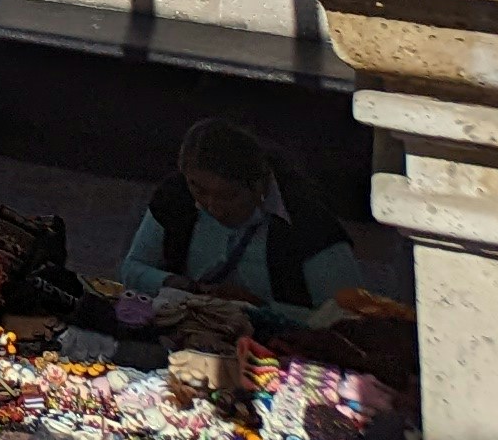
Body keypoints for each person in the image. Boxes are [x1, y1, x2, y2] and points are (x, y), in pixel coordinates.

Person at [121, 119, 359, 326]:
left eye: (228, 195)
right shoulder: (177, 196)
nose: (212, 207)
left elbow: (346, 315)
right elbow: (133, 268)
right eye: (200, 190)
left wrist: (262, 308)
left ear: (259, 187)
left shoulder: (310, 225)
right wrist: (178, 285)